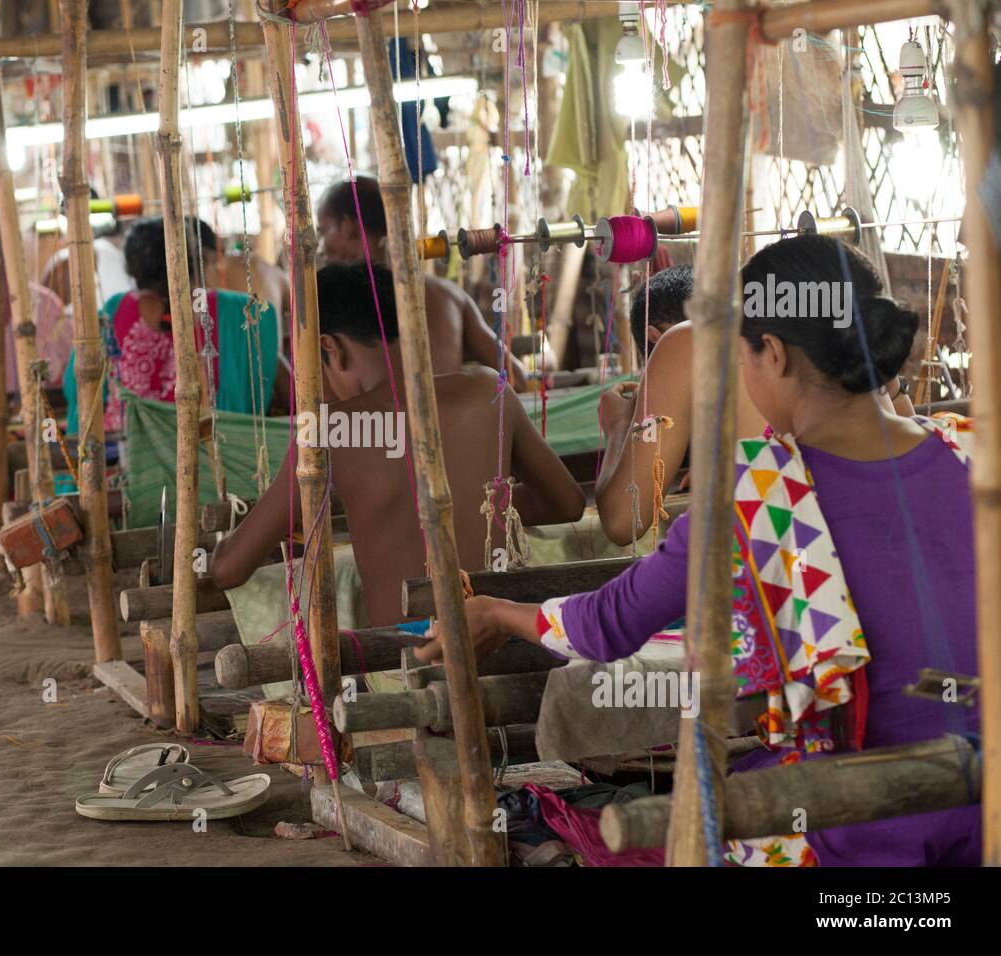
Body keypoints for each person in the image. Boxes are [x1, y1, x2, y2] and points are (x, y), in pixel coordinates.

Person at [420, 234, 978, 866]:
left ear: (772, 353)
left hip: (868, 826)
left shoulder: (755, 497)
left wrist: (499, 613)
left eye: (741, 357)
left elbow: (604, 625)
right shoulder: (970, 450)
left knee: (700, 828)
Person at [210, 262, 584, 628]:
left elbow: (228, 570)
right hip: (504, 638)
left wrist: (217, 547)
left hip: (406, 662)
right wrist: (473, 505)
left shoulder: (330, 429)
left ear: (330, 348)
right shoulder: (490, 392)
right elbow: (567, 502)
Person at [597, 261, 914, 547]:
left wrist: (619, 426)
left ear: (654, 338)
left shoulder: (685, 342)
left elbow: (625, 520)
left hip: (812, 584)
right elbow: (909, 439)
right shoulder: (831, 335)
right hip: (899, 556)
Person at [62, 216, 287, 434]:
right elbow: (283, 378)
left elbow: (79, 388)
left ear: (133, 269)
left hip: (127, 462)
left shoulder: (113, 313)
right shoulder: (236, 312)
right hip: (215, 460)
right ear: (193, 261)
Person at [316, 177, 529, 392]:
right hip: (451, 424)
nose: (322, 248)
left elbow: (315, 399)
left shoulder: (333, 306)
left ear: (347, 225)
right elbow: (516, 377)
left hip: (378, 425)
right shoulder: (449, 296)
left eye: (324, 231)